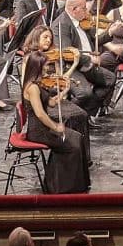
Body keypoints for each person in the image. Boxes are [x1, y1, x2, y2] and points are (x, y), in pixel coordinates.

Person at [18, 25, 89, 194]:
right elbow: (41, 114)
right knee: (71, 147)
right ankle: (61, 187)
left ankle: (79, 185)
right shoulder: (32, 88)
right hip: (38, 131)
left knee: (78, 138)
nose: (46, 69)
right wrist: (55, 126)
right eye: (44, 66)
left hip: (44, 128)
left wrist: (63, 92)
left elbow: (49, 103)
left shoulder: (38, 84)